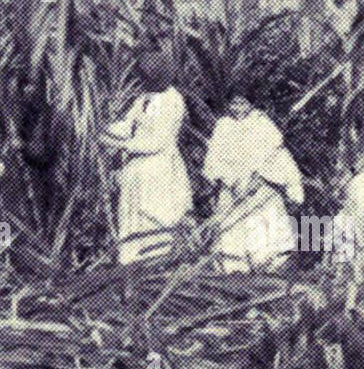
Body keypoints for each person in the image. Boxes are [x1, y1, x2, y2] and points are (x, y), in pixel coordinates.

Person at [101, 49, 193, 263]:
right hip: (136, 167)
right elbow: (129, 123)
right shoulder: (145, 98)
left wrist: (123, 145)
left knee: (153, 212)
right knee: (132, 212)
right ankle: (132, 261)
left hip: (158, 166)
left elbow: (159, 141)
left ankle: (156, 260)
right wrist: (107, 131)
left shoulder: (172, 100)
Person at [204, 94, 304, 272]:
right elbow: (213, 160)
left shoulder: (262, 124)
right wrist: (228, 180)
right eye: (233, 103)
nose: (238, 107)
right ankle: (234, 271)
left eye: (243, 102)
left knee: (264, 236)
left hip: (259, 190)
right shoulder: (223, 126)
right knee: (233, 237)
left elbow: (276, 156)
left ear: (251, 103)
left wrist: (261, 179)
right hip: (232, 190)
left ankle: (267, 269)